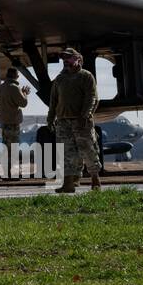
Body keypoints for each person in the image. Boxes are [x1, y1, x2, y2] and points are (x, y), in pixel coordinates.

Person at [47, 47, 100, 192]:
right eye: (64, 59)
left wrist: (86, 115)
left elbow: (92, 98)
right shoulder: (60, 79)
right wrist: (50, 118)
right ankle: (68, 184)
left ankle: (95, 180)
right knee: (66, 154)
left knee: (88, 151)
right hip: (63, 122)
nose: (66, 61)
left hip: (81, 121)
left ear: (78, 59)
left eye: (69, 58)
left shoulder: (86, 76)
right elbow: (53, 101)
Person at [0, 67, 30, 178]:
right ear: (16, 75)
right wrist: (25, 93)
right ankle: (11, 173)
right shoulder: (14, 88)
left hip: (4, 123)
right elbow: (23, 103)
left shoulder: (1, 87)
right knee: (13, 149)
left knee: (6, 148)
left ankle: (6, 171)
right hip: (13, 123)